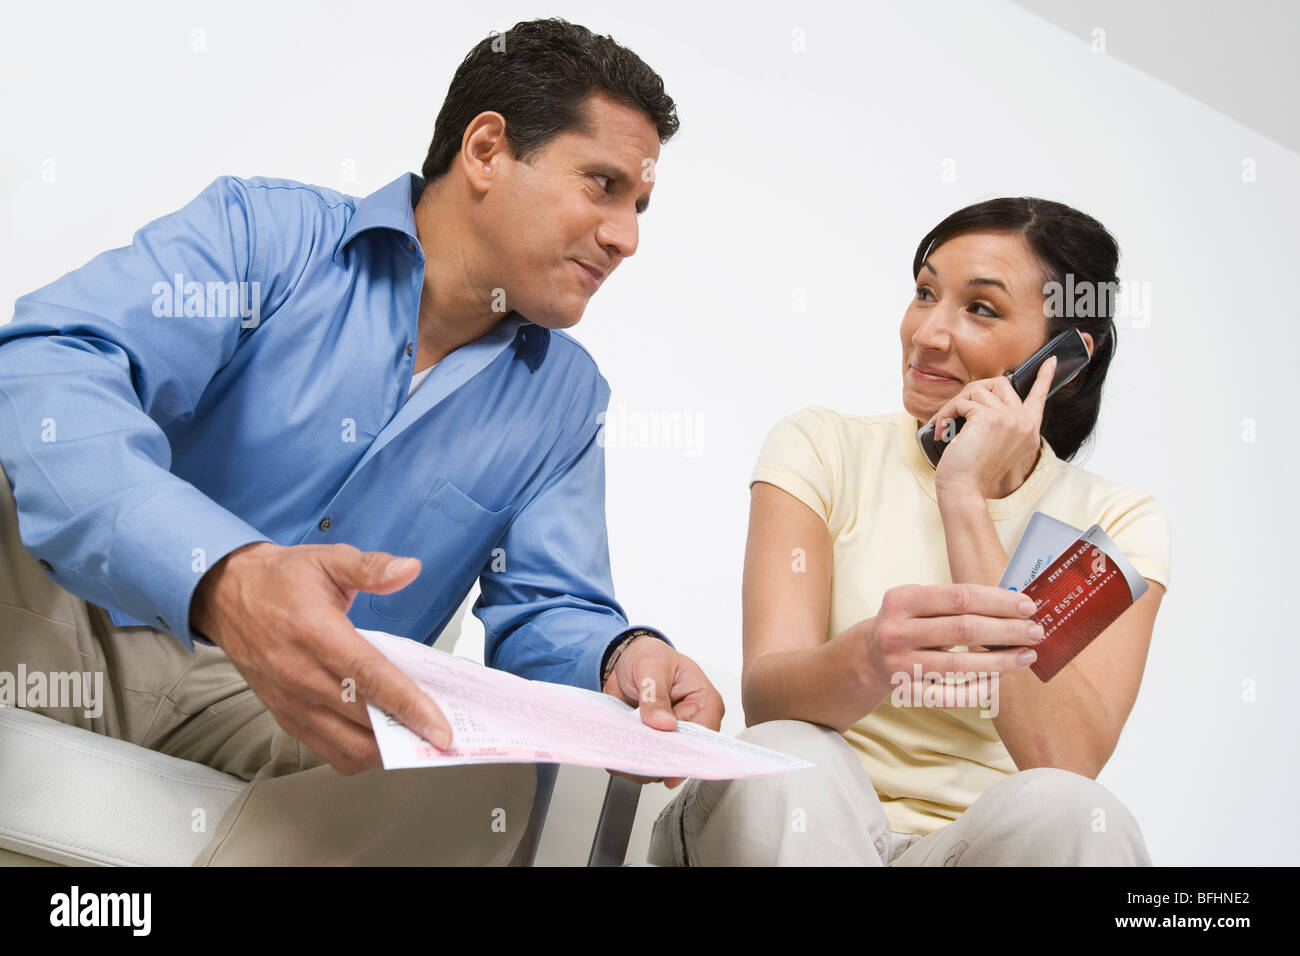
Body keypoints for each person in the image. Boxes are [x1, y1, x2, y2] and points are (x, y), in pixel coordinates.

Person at [0, 17, 722, 866]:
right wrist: (222, 575)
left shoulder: (564, 399)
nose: (626, 237)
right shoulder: (264, 233)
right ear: (487, 151)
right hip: (68, 615)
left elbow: (547, 607)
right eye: (602, 185)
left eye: (638, 206)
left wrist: (624, 656)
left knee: (488, 779)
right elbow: (51, 365)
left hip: (296, 713)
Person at [648, 197, 1170, 866]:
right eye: (925, 292)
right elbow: (768, 699)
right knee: (797, 760)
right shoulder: (822, 446)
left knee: (1077, 814)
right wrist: (870, 657)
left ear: (1059, 359)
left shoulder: (1115, 524)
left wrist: (963, 496)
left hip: (962, 849)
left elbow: (1063, 761)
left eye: (980, 308)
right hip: (791, 829)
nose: (928, 333)